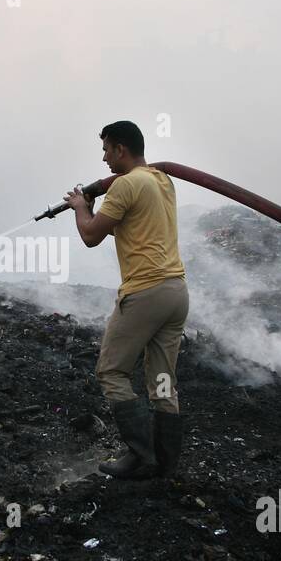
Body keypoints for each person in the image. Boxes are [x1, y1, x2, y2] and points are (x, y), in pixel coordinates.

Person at [64, 120, 188, 480]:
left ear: (120, 149)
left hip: (145, 292)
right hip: (176, 292)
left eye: (106, 149)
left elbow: (90, 236)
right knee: (162, 379)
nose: (103, 158)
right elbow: (130, 222)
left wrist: (78, 206)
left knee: (112, 372)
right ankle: (165, 464)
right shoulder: (162, 181)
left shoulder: (124, 185)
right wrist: (94, 202)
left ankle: (141, 454)